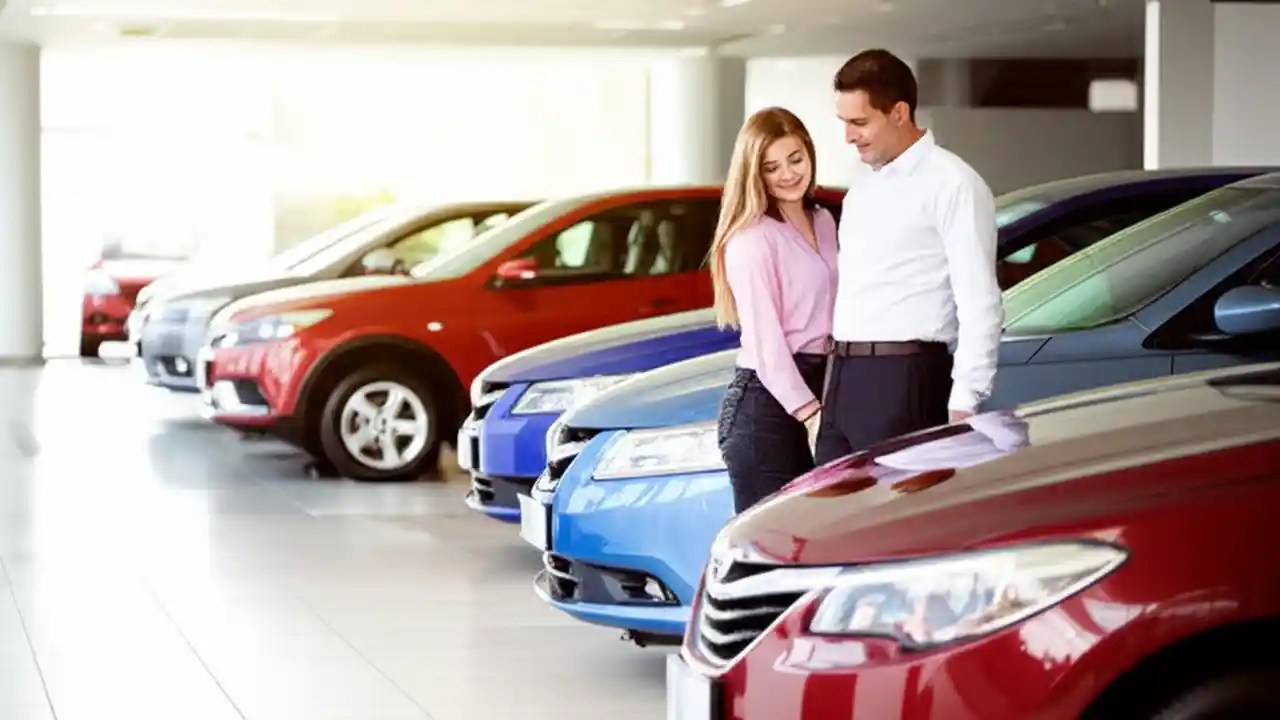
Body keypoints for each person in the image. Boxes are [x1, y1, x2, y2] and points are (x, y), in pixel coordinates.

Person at [814, 48, 1004, 464]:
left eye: (860, 122)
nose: (848, 136)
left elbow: (980, 301)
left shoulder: (954, 184)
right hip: (844, 377)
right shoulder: (862, 181)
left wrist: (966, 399)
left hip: (905, 380)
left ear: (899, 113)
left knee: (891, 522)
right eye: (844, 122)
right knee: (830, 521)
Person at [710, 107, 839, 513]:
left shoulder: (824, 221)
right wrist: (811, 414)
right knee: (772, 551)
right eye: (772, 166)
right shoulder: (752, 239)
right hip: (767, 407)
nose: (788, 174)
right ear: (755, 173)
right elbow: (767, 344)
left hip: (823, 386)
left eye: (795, 159)